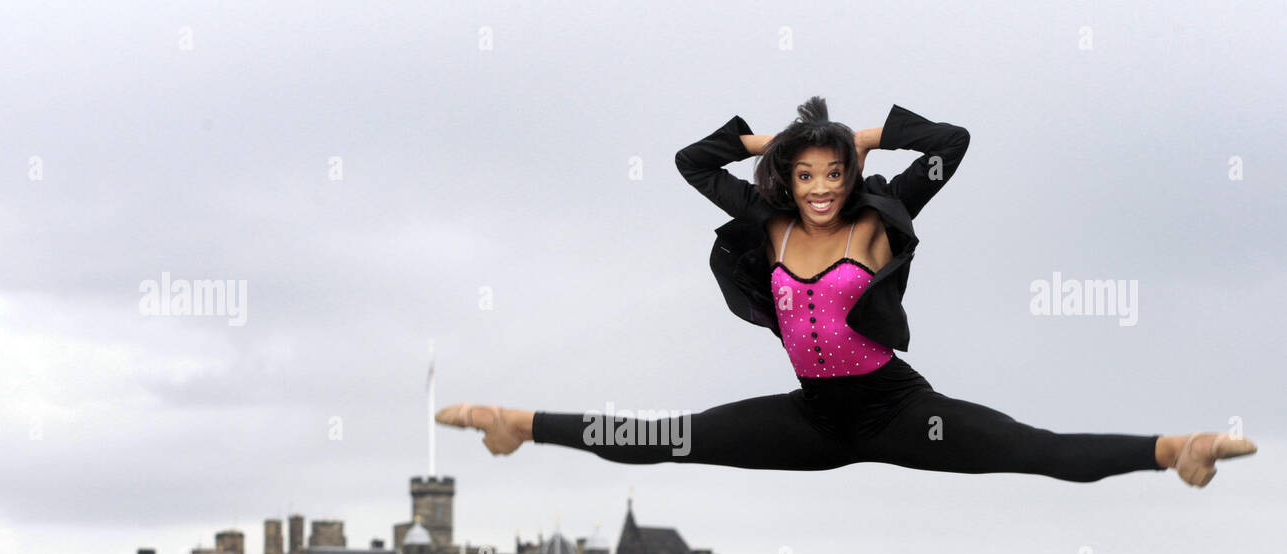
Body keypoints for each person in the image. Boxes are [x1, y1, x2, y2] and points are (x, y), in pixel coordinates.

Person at [437, 97, 1255, 487]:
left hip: (899, 410)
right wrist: (783, 138)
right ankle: (519, 425)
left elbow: (949, 142)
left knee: (1029, 450)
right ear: (785, 179)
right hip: (809, 419)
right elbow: (693, 161)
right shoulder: (767, 224)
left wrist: (855, 135)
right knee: (664, 437)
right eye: (807, 174)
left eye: (834, 173)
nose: (823, 187)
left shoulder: (878, 218)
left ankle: (1174, 448)